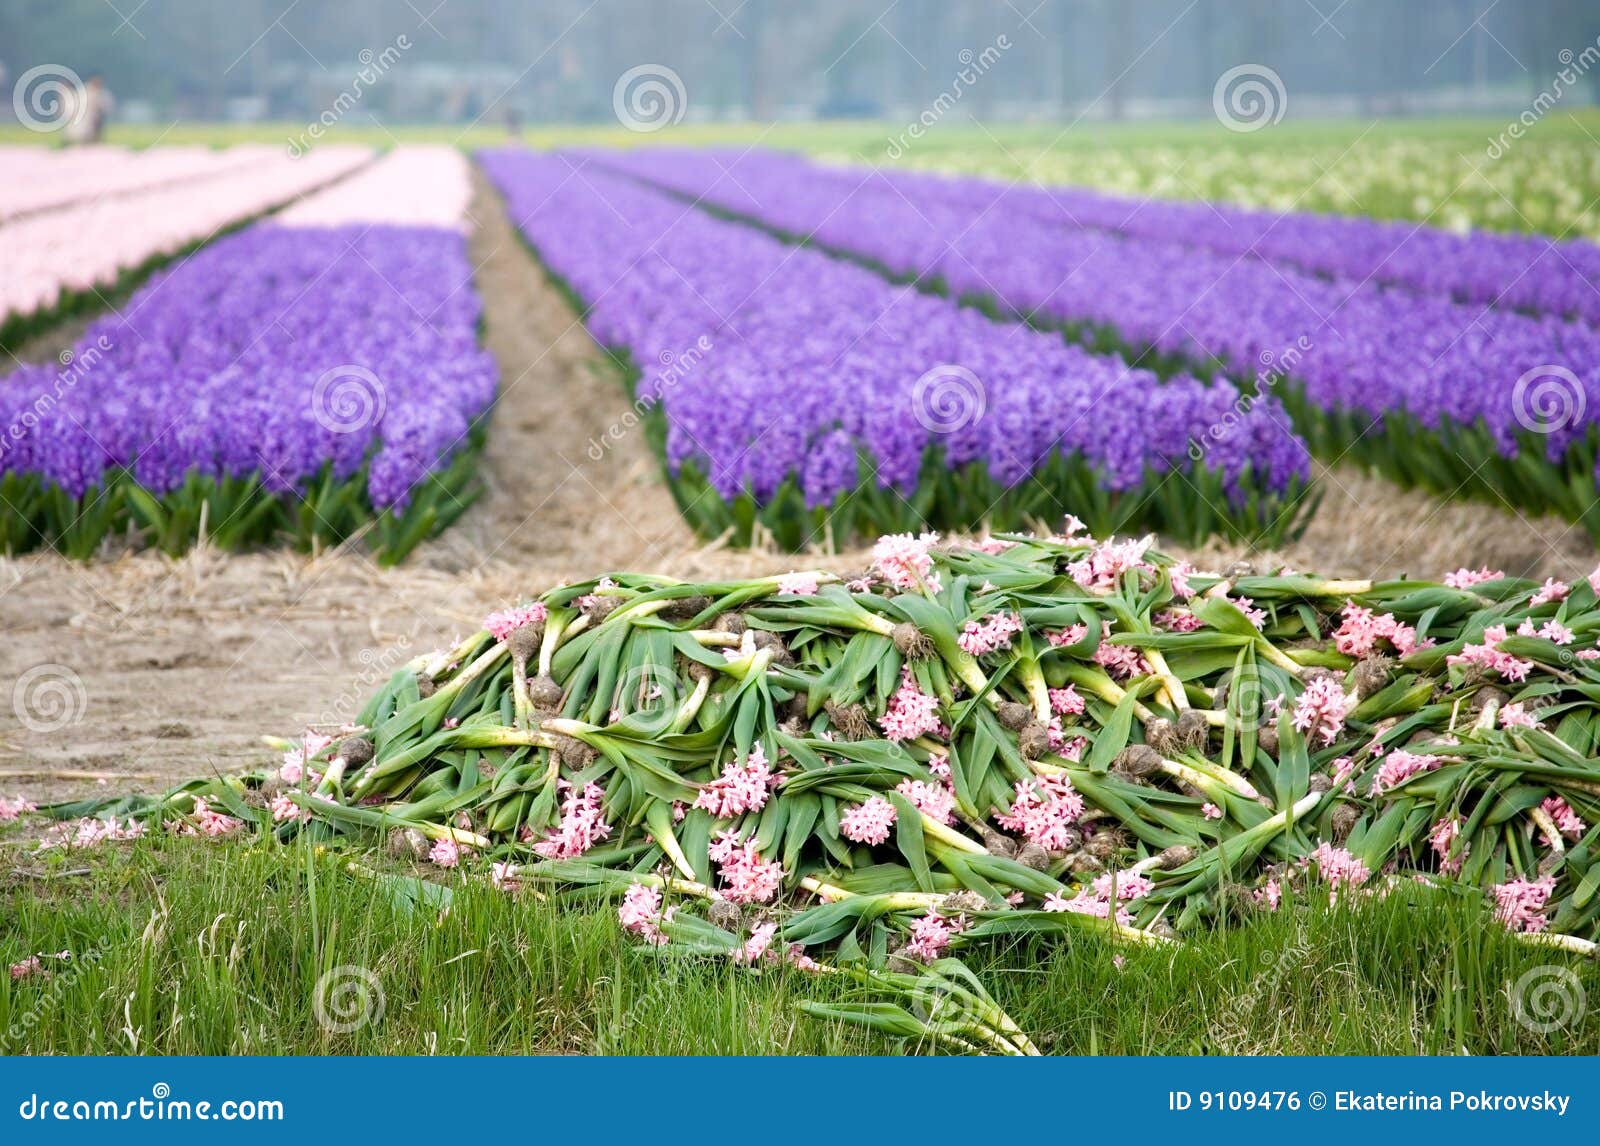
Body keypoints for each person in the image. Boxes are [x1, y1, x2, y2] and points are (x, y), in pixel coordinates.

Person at [63, 74, 114, 145]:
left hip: (94, 124)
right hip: (83, 123)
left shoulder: (102, 93)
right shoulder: (84, 92)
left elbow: (107, 107)